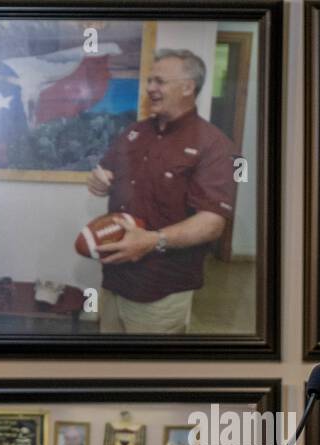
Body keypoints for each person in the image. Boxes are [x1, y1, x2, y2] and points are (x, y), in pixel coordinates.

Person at [85, 49, 238, 334]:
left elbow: (212, 222)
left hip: (161, 289)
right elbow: (104, 172)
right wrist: (98, 180)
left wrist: (153, 241)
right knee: (109, 370)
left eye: (160, 81)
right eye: (149, 81)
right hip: (115, 280)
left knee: (150, 377)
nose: (151, 88)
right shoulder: (135, 132)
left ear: (188, 87)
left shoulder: (214, 146)